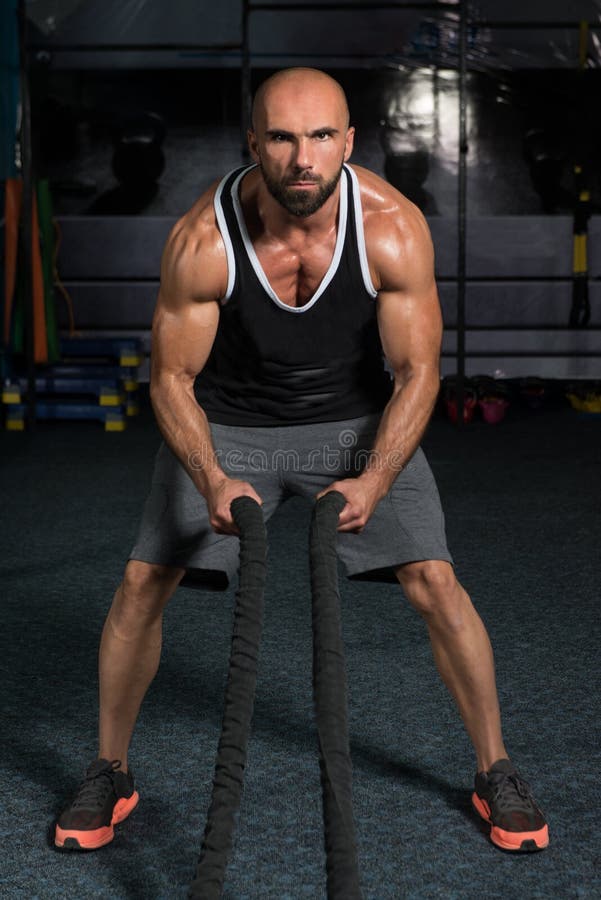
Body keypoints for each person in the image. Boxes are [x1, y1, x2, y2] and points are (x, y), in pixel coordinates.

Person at [55, 67, 548, 855]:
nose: (301, 158)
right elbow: (172, 379)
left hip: (355, 427)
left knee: (435, 579)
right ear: (253, 143)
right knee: (144, 580)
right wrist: (213, 475)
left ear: (348, 142)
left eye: (321, 136)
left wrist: (376, 475)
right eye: (281, 137)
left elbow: (418, 373)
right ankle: (109, 768)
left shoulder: (391, 226)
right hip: (229, 425)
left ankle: (496, 767)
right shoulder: (203, 239)